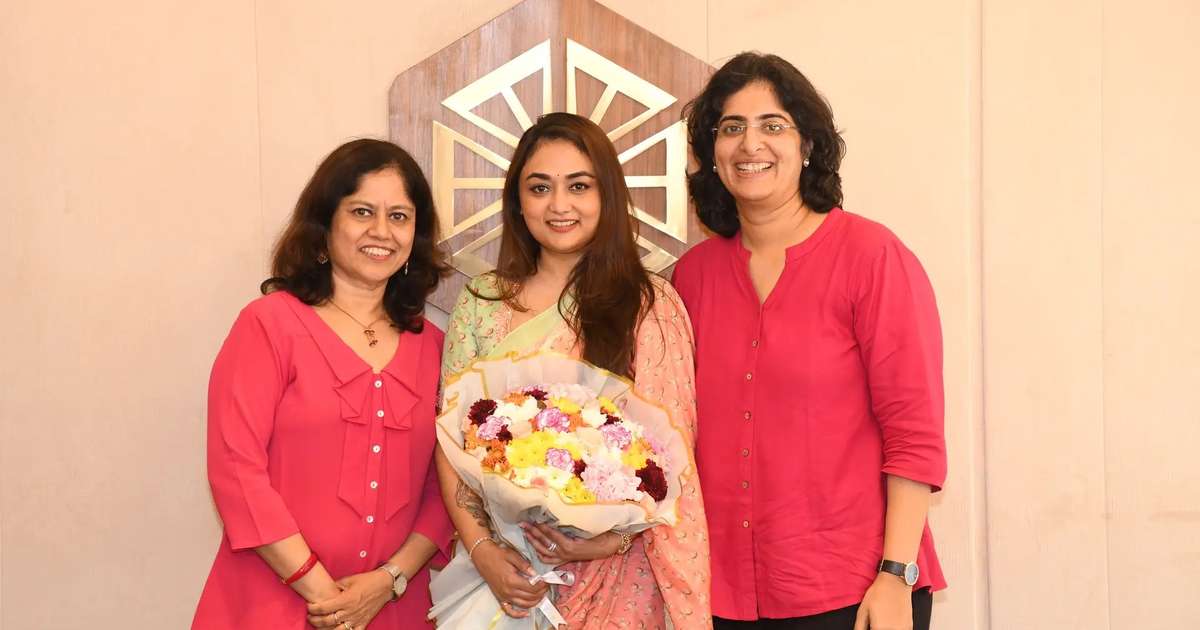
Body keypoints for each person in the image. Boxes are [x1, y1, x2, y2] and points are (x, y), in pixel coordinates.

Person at [673, 53, 948, 630]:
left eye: (772, 125)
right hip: (719, 592)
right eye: (731, 127)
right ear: (711, 153)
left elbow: (913, 432)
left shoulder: (871, 257)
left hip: (855, 589)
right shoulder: (692, 277)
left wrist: (896, 574)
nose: (750, 144)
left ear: (808, 146)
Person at [435, 112, 713, 628]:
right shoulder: (482, 302)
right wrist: (483, 551)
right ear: (518, 201)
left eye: (579, 186)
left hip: (621, 576)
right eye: (540, 187)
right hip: (504, 575)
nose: (559, 205)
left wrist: (608, 540)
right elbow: (450, 441)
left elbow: (673, 460)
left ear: (606, 195)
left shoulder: (649, 305)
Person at [192, 139, 453, 629]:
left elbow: (447, 487)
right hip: (272, 603)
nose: (381, 231)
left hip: (391, 608)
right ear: (324, 224)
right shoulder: (269, 325)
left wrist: (390, 580)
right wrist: (323, 594)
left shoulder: (437, 348)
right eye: (361, 212)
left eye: (399, 216)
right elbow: (236, 468)